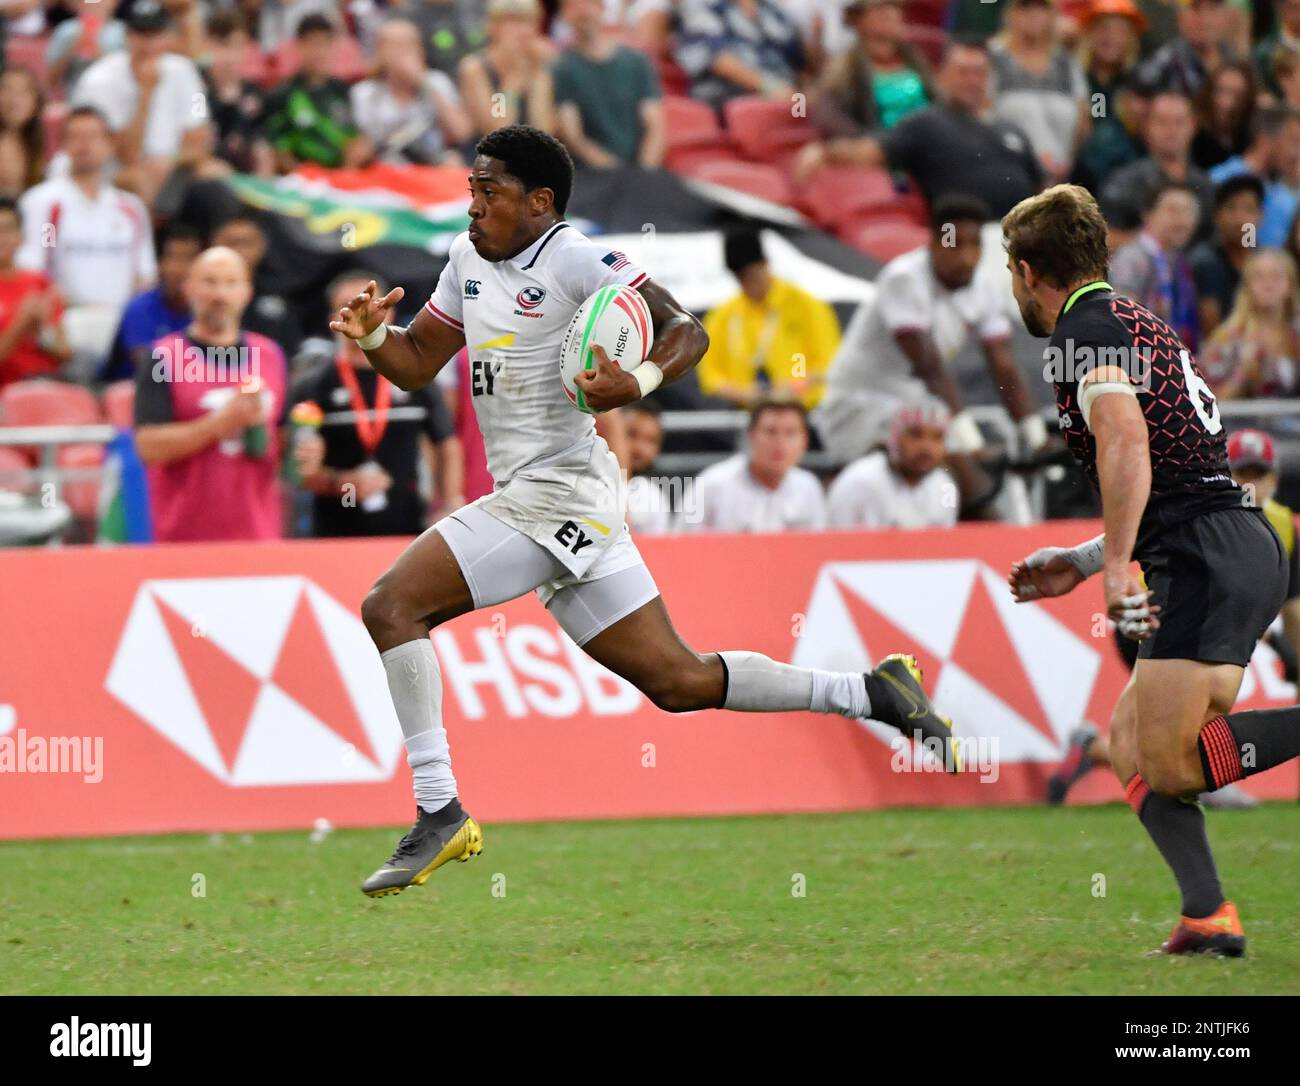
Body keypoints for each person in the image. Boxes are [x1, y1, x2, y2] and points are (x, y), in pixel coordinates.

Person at [327, 125, 958, 897]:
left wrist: (640, 383)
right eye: (471, 188)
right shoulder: (466, 260)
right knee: (680, 682)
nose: (474, 204)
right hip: (549, 498)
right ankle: (871, 691)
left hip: (558, 494)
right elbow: (418, 365)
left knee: (391, 606)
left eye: (489, 191)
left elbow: (684, 329)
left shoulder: (574, 258)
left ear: (539, 201)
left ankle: (439, 811)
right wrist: (374, 337)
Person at [1003, 183, 1300, 957]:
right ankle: (1208, 914)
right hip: (1223, 539)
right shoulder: (1137, 321)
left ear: (1029, 271)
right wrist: (1080, 559)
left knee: (1172, 760)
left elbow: (1128, 445)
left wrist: (1111, 573)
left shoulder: (1081, 330)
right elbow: (1167, 468)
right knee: (1133, 746)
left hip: (1206, 551)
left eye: (1013, 273)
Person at [1048, 425, 1300, 813]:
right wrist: (1276, 642)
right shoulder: (1206, 507)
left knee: (1154, 745)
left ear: (1276, 479)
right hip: (1156, 615)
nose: (1251, 483)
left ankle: (1092, 748)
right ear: (1223, 472)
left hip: (1206, 619)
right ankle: (1206, 781)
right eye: (1242, 472)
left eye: (1258, 474)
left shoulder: (1283, 525)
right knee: (1178, 735)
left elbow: (1288, 604)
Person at [813, 195, 1045, 475]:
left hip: (913, 402)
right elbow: (929, 367)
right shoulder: (903, 279)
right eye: (955, 245)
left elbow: (1004, 365)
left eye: (975, 245)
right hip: (857, 404)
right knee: (952, 462)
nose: (966, 257)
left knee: (958, 463)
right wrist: (970, 444)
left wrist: (1035, 436)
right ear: (934, 244)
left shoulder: (982, 285)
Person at [133, 246, 288, 542]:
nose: (220, 295)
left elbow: (282, 440)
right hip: (185, 536)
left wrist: (304, 454)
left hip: (258, 532)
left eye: (231, 283)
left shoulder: (270, 355)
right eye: (210, 282)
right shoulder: (164, 357)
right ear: (189, 288)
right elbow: (148, 446)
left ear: (247, 292)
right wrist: (221, 422)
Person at [292, 271, 464, 537]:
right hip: (333, 533)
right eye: (348, 307)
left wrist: (450, 501)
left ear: (388, 314)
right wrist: (340, 482)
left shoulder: (412, 374)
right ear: (332, 320)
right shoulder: (314, 384)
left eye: (367, 306)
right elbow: (294, 467)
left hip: (408, 525)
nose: (359, 314)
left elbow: (446, 442)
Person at [794, 37, 1043, 218]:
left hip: (1027, 236)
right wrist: (824, 152)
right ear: (943, 75)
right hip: (965, 238)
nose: (971, 81)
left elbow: (1042, 186)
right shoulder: (926, 123)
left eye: (978, 73)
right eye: (963, 72)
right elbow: (867, 151)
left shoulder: (1012, 130)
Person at [16, 106, 157, 384]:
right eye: (76, 137)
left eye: (93, 136)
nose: (85, 144)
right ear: (64, 145)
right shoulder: (46, 204)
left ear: (109, 144)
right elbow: (32, 269)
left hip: (119, 323)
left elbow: (145, 276)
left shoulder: (130, 209)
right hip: (70, 322)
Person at [71, 0, 217, 207]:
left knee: (214, 174)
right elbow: (126, 155)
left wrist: (170, 161)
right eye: (140, 34)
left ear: (167, 36)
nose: (148, 44)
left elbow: (200, 136)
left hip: (173, 165)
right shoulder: (99, 79)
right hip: (113, 170)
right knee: (138, 180)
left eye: (154, 34)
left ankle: (190, 238)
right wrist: (145, 94)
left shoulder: (185, 71)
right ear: (127, 36)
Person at [697, 227, 840, 410]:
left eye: (752, 275)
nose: (749, 285)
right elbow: (711, 376)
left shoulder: (806, 306)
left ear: (765, 264)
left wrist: (796, 386)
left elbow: (829, 364)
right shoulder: (723, 316)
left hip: (804, 413)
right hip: (751, 418)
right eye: (741, 278)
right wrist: (743, 393)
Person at [551, 0, 664, 169]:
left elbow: (655, 126)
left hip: (640, 174)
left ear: (601, 7)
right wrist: (618, 174)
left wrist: (643, 173)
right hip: (592, 177)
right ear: (564, 15)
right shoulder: (562, 69)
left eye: (588, 3)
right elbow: (573, 137)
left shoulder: (636, 61)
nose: (582, 11)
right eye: (572, 5)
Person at [989, 0, 1091, 184]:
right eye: (1026, 8)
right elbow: (983, 112)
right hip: (1008, 170)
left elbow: (1084, 121)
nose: (1034, 16)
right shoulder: (993, 56)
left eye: (1041, 9)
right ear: (1011, 13)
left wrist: (1065, 163)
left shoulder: (1067, 62)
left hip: (1061, 173)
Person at [691, 398, 827, 534]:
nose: (780, 443)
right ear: (751, 435)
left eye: (790, 433)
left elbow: (818, 549)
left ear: (805, 441)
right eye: (770, 432)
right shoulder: (712, 485)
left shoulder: (808, 487)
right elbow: (683, 544)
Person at [350, 16, 472, 166]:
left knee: (454, 162)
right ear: (380, 53)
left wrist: (423, 82)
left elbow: (461, 133)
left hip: (433, 164)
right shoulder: (365, 92)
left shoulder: (436, 81)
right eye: (396, 46)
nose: (403, 54)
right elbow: (361, 149)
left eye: (409, 46)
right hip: (387, 167)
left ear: (421, 50)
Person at [261, 13, 372, 171]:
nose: (319, 51)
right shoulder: (282, 95)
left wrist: (355, 157)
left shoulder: (342, 90)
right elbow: (278, 150)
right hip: (302, 182)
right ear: (299, 46)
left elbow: (355, 137)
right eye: (312, 43)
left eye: (325, 43)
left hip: (344, 177)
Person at [1100, 89, 1214, 242]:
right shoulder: (1123, 182)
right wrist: (1154, 240)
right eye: (1162, 122)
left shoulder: (1204, 184)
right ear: (1147, 127)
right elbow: (1104, 239)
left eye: (1179, 122)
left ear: (1193, 126)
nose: (1171, 130)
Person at [808, 0, 933, 140]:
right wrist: (869, 144)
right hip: (884, 149)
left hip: (930, 143)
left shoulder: (913, 59)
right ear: (859, 21)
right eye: (881, 12)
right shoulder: (847, 67)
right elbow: (827, 114)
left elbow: (937, 100)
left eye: (894, 10)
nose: (890, 16)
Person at [826, 399, 958, 530]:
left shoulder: (945, 486)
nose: (926, 447)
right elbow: (839, 545)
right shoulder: (859, 482)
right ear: (894, 437)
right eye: (915, 435)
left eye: (938, 437)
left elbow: (943, 546)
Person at [101, 223, 202, 382]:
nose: (183, 269)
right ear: (160, 264)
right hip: (133, 393)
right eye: (175, 258)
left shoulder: (204, 309)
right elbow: (149, 366)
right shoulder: (139, 308)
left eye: (190, 258)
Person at [1108, 179, 1201, 349]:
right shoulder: (1133, 258)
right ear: (1148, 214)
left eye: (1189, 211)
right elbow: (1122, 320)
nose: (1182, 220)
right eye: (1173, 210)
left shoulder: (1178, 260)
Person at [1200, 248, 1300, 399]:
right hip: (1243, 421)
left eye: (1276, 276)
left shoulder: (1296, 334)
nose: (1268, 284)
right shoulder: (1228, 337)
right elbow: (1207, 400)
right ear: (1247, 287)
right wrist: (1242, 374)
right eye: (1259, 277)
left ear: (1290, 286)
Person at [674, 0, 805, 111]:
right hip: (729, 101)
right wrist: (770, 86)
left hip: (787, 98)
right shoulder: (706, 8)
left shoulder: (774, 12)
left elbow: (800, 63)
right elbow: (718, 60)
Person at [210, 211, 303, 358]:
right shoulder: (199, 294)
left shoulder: (278, 300)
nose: (239, 251)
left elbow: (289, 356)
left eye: (247, 244)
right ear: (214, 243)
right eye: (232, 243)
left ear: (262, 246)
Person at [1207, 105, 1300, 248]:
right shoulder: (1220, 180)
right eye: (1293, 141)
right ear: (1264, 140)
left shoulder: (1288, 197)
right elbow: (1242, 245)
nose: (1296, 153)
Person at [457, 0, 555, 136]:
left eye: (529, 22)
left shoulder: (537, 66)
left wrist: (537, 74)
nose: (524, 30)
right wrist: (511, 84)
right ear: (494, 26)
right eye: (514, 22)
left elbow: (544, 132)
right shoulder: (475, 68)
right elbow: (497, 131)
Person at [0, 197, 69, 387]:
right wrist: (22, 322)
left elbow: (64, 352)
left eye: (7, 230)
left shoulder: (38, 281)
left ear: (21, 236)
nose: (2, 237)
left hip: (46, 382)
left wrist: (42, 329)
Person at [1188, 173, 1262, 337]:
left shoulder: (1262, 259)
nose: (1240, 218)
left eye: (1249, 209)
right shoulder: (1205, 261)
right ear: (1217, 215)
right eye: (1231, 208)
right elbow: (1211, 328)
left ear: (1260, 216)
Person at [201, 8, 274, 176]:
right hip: (208, 177)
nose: (230, 56)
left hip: (245, 179)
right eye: (222, 46)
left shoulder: (254, 95)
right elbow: (196, 138)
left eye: (237, 46)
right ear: (207, 45)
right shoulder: (197, 90)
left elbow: (261, 144)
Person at [1135, 0, 1234, 98]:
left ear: (1225, 15)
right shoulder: (1165, 62)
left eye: (1213, 9)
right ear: (1180, 17)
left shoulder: (1233, 59)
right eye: (1196, 9)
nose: (1206, 20)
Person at [45, 0, 127, 93]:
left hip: (111, 94)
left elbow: (128, 75)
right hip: (73, 96)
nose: (97, 4)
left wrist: (100, 55)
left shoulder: (124, 31)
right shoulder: (66, 30)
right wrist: (72, 49)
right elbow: (51, 80)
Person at [622, 399, 675, 536]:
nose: (639, 448)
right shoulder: (586, 483)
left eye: (650, 440)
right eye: (632, 434)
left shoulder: (652, 495)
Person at [1190, 59, 1254, 171]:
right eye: (1220, 91)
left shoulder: (1250, 138)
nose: (1226, 103)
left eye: (1237, 96)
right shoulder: (1193, 135)